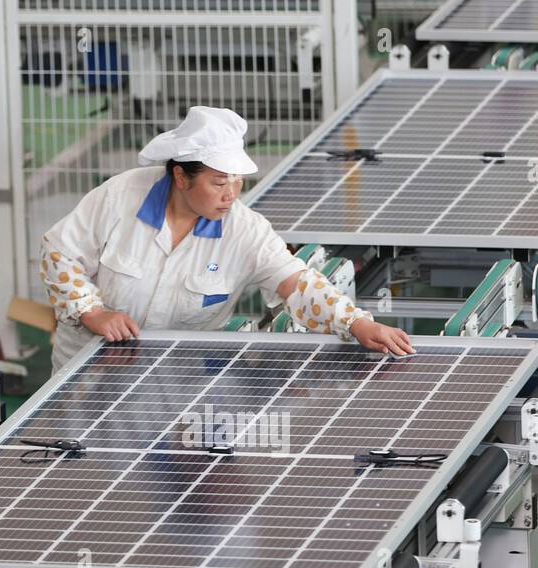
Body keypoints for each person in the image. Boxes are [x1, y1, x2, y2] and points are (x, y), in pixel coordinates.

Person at [39, 105, 415, 370]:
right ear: (181, 177)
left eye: (238, 181)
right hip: (88, 376)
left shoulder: (244, 230)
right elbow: (60, 252)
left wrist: (358, 323)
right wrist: (93, 312)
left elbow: (298, 284)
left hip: (177, 383)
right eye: (219, 182)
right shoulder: (121, 197)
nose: (231, 194)